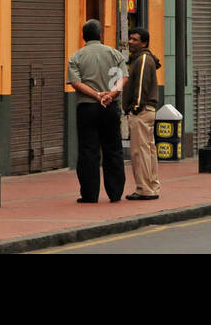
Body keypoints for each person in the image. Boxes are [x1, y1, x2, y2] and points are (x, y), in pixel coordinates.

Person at [66, 19, 126, 204]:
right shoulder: (114, 54)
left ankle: (90, 194)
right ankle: (115, 192)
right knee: (113, 149)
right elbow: (123, 78)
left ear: (83, 36)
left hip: (87, 107)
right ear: (101, 35)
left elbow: (76, 83)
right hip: (110, 107)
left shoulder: (76, 57)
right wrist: (110, 94)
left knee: (88, 151)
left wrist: (96, 95)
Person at [122, 27, 161, 201]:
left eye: (135, 39)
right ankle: (151, 186)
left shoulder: (143, 59)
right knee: (148, 150)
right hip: (147, 110)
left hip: (142, 111)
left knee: (139, 152)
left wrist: (136, 107)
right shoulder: (141, 58)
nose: (130, 42)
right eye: (130, 38)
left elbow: (141, 86)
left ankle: (144, 189)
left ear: (144, 43)